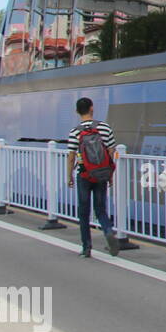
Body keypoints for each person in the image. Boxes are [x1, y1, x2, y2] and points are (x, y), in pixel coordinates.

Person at [65, 97, 119, 258]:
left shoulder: (75, 132)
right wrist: (110, 174)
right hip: (101, 173)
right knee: (101, 209)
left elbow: (71, 156)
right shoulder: (104, 127)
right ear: (92, 108)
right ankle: (108, 231)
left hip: (84, 174)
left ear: (77, 112)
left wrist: (69, 176)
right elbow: (111, 151)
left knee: (83, 211)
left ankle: (86, 247)